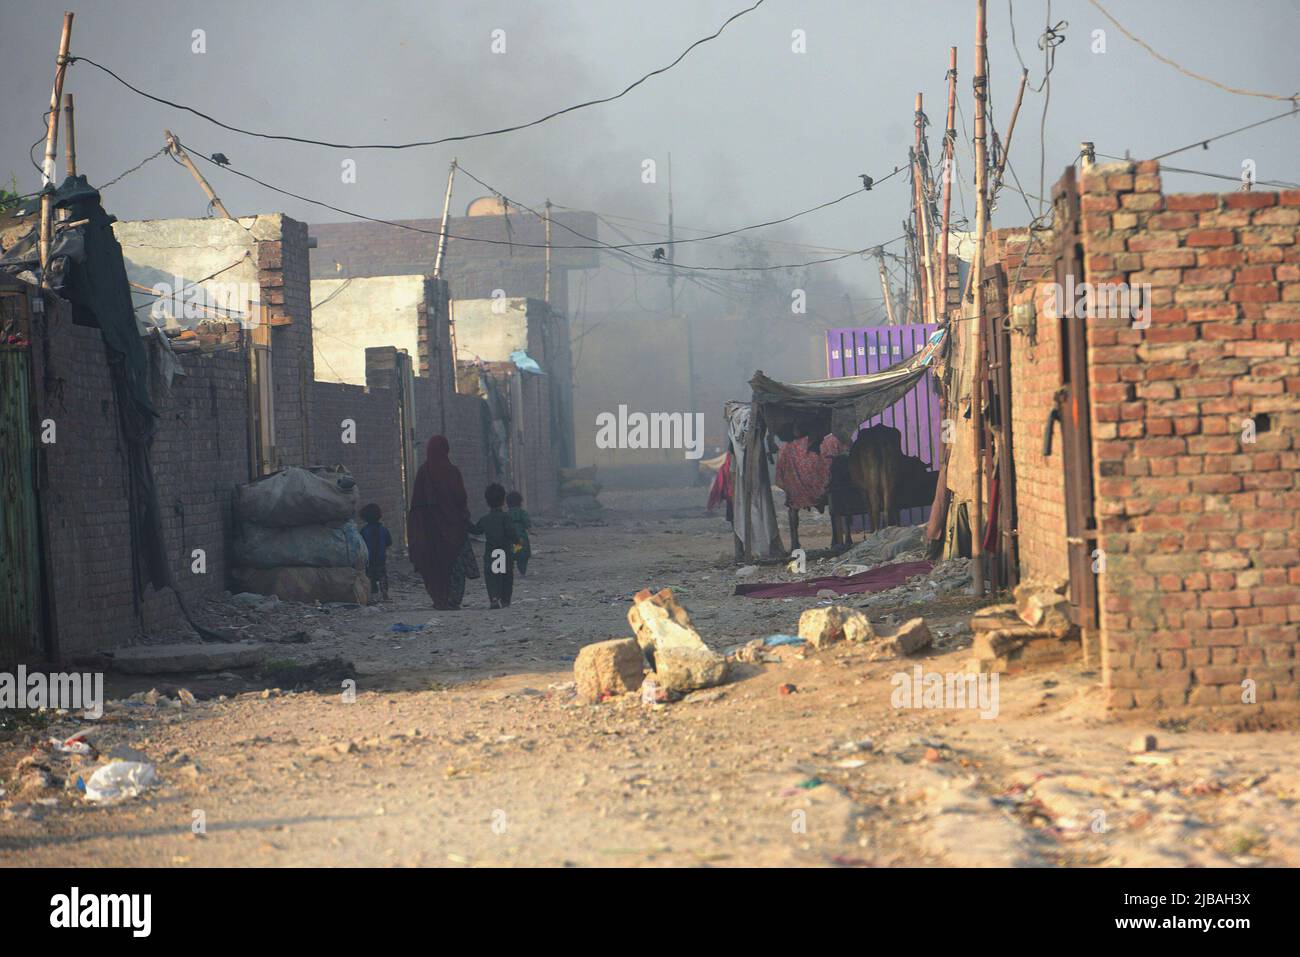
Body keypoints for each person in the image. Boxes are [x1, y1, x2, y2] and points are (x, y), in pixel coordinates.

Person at [406, 435, 473, 610]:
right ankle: (452, 599)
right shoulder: (453, 472)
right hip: (452, 529)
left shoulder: (423, 472)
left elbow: (416, 504)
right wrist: (463, 519)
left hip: (429, 531)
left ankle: (439, 599)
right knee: (452, 564)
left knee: (432, 564)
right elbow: (461, 499)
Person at [471, 483, 517, 609]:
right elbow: (512, 533)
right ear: (503, 501)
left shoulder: (485, 519)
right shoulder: (506, 517)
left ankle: (494, 598)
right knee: (506, 576)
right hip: (505, 552)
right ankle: (506, 600)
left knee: (492, 577)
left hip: (492, 553)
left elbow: (476, 530)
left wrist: (465, 522)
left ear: (487, 502)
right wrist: (518, 545)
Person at [358, 502, 392, 603]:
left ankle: (373, 594)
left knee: (370, 577)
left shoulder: (364, 531)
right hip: (381, 559)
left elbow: (361, 546)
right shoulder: (384, 530)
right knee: (382, 575)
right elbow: (388, 543)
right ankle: (384, 591)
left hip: (369, 560)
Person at [506, 490, 532, 576]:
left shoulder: (506, 513)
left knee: (512, 552)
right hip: (521, 537)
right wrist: (531, 531)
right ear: (520, 502)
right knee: (523, 555)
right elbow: (527, 523)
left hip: (510, 537)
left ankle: (510, 568)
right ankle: (522, 571)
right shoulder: (522, 512)